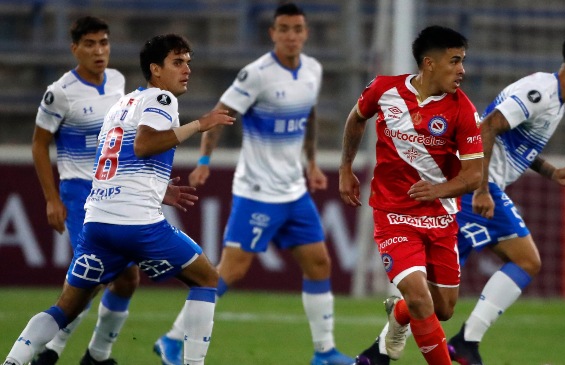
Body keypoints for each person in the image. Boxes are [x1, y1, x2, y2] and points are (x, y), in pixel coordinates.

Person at [354, 32, 565, 365]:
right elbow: (488, 126)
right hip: (477, 186)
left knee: (437, 299)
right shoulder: (540, 92)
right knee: (521, 262)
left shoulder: (556, 99)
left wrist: (551, 172)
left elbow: (512, 141)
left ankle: (383, 351)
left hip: (485, 187)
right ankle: (459, 344)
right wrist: (479, 189)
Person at [3, 33, 235, 365]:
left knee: (65, 307)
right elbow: (144, 144)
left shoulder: (120, 104)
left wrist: (158, 188)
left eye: (188, 62)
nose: (187, 70)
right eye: (178, 62)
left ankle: (14, 360)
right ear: (156, 69)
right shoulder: (162, 99)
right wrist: (200, 125)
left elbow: (114, 159)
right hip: (137, 225)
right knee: (207, 278)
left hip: (97, 222)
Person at [153, 3, 355, 365]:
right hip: (257, 192)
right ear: (273, 33)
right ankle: (171, 339)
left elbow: (307, 114)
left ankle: (324, 352)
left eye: (297, 29)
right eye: (284, 29)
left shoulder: (312, 70)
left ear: (305, 33)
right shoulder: (256, 75)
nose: (291, 35)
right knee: (229, 272)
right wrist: (202, 161)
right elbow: (221, 114)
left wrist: (310, 162)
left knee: (319, 263)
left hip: (294, 190)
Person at [339, 25, 484, 365]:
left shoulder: (463, 111)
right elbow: (356, 118)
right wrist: (346, 168)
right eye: (455, 61)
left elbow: (474, 176)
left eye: (463, 61)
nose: (462, 70)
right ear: (429, 63)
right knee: (421, 299)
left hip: (441, 215)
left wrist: (438, 190)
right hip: (393, 215)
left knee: (442, 309)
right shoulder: (383, 89)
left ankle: (398, 317)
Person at [30, 16, 140, 365]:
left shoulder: (118, 82)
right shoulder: (60, 92)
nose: (99, 51)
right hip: (79, 195)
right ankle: (48, 351)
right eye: (90, 44)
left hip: (114, 191)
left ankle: (96, 355)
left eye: (104, 43)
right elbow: (38, 144)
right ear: (74, 48)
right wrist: (52, 198)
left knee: (127, 279)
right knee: (92, 273)